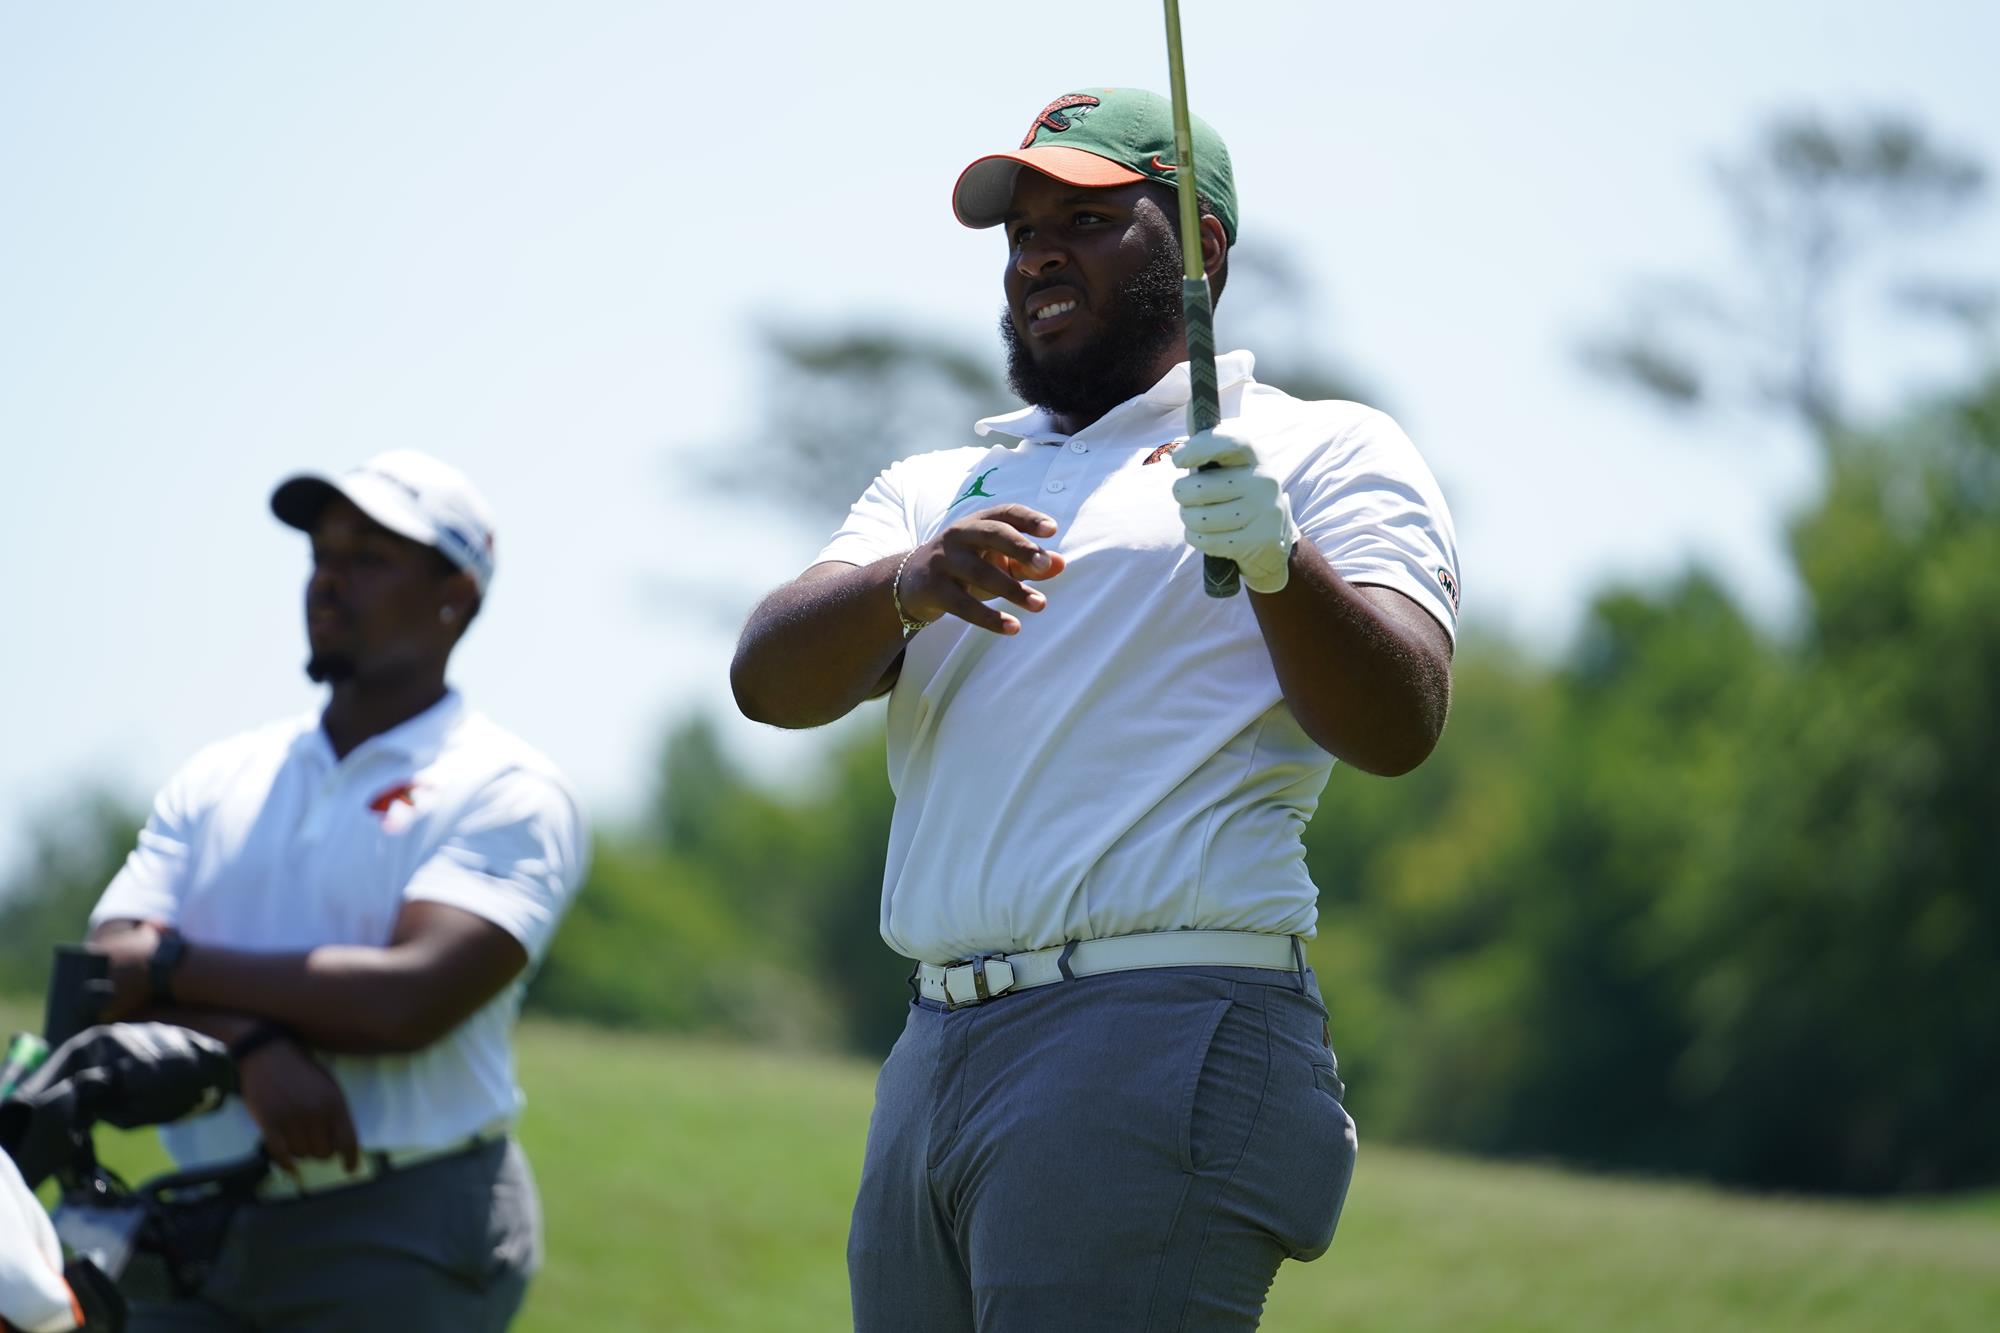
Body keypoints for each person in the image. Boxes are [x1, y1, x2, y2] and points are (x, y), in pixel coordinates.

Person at [732, 87, 1461, 1330]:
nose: (1037, 253)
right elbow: (768, 679)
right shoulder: (935, 485)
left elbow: (1399, 722)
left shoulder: (1319, 449)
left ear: (1201, 251)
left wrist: (1280, 562)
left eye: (1086, 216)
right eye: (1021, 232)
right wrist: (906, 586)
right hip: (934, 1047)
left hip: (1158, 1020)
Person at [83, 451, 587, 1331]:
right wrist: (246, 1046)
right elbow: (96, 980)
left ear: (455, 595)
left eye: (369, 559)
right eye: (322, 555)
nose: (327, 581)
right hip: (200, 1217)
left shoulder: (505, 785)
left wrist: (167, 964)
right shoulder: (222, 774)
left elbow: (404, 1000)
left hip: (401, 1223)